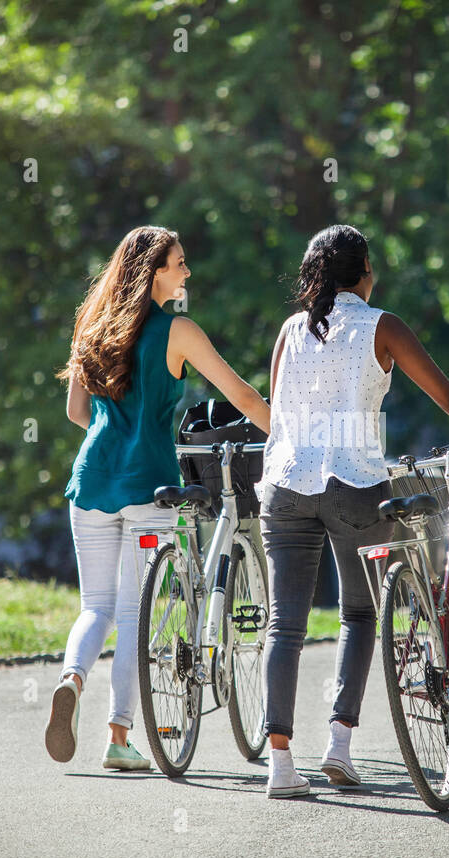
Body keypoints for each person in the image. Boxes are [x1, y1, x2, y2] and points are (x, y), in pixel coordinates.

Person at [259, 224, 449, 798]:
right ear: (364, 271)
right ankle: (338, 747)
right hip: (354, 485)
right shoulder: (381, 325)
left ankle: (280, 768)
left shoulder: (289, 330)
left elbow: (280, 414)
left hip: (285, 485)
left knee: (284, 623)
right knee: (359, 616)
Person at [47, 225, 270, 771]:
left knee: (94, 607)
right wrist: (286, 434)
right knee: (134, 614)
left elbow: (78, 414)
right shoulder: (178, 330)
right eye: (179, 263)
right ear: (154, 271)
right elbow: (237, 392)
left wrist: (114, 431)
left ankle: (71, 680)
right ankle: (118, 737)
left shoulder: (92, 324)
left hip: (92, 480)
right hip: (152, 487)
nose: (187, 272)